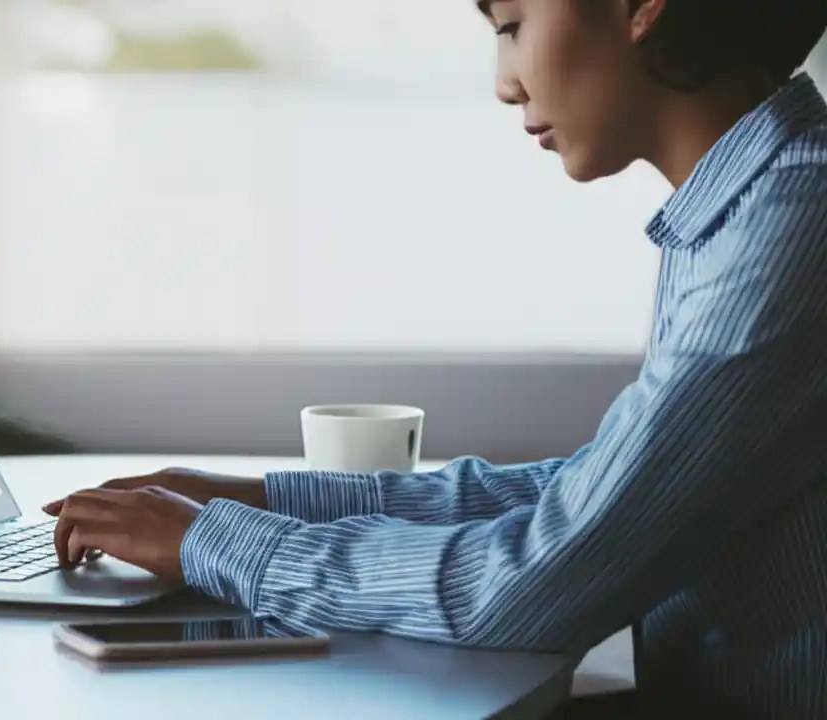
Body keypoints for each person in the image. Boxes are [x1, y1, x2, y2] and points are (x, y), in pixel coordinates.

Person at [45, 0, 827, 716]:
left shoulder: (794, 223)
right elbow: (590, 491)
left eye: (512, 25)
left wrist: (214, 542)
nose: (504, 84)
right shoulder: (746, 209)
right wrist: (261, 499)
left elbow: (534, 582)